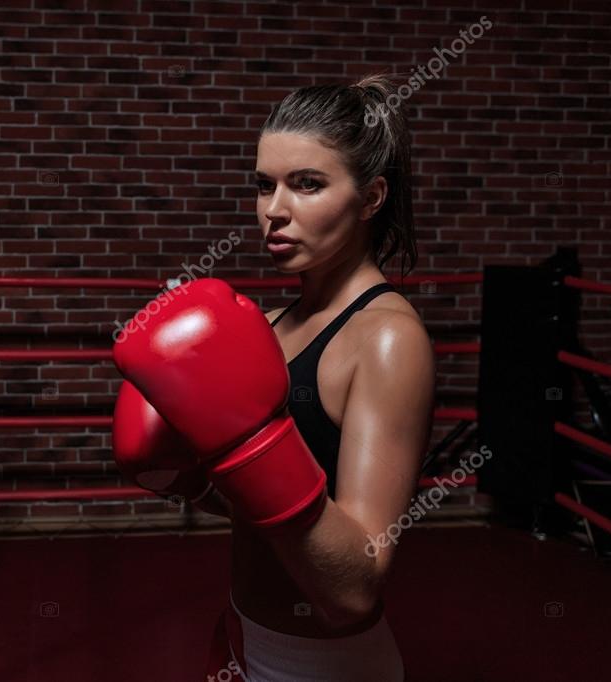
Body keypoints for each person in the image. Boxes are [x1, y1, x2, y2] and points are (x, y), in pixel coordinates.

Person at [112, 75, 435, 681]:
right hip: (242, 638)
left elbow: (355, 587)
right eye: (265, 186)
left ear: (371, 198)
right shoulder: (268, 324)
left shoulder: (388, 340)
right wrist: (187, 477)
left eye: (307, 185)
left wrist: (247, 445)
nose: (274, 211)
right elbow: (259, 518)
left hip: (326, 666)